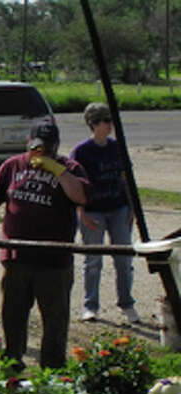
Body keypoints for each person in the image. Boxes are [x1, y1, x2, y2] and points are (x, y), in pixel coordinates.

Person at [0, 121, 90, 370]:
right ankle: (12, 366)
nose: (41, 151)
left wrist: (57, 170)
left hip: (53, 261)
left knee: (54, 321)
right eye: (38, 146)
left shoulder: (70, 167)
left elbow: (80, 196)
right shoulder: (13, 165)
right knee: (13, 316)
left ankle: (52, 371)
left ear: (56, 146)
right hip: (16, 257)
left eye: (47, 147)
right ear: (29, 143)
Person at [70, 102, 139, 323]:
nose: (110, 125)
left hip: (118, 208)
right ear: (94, 124)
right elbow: (75, 183)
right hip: (93, 211)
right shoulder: (81, 152)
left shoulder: (117, 147)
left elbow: (125, 177)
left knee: (124, 259)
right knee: (93, 261)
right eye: (106, 121)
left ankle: (127, 303)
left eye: (110, 121)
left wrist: (132, 207)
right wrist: (80, 210)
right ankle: (90, 306)